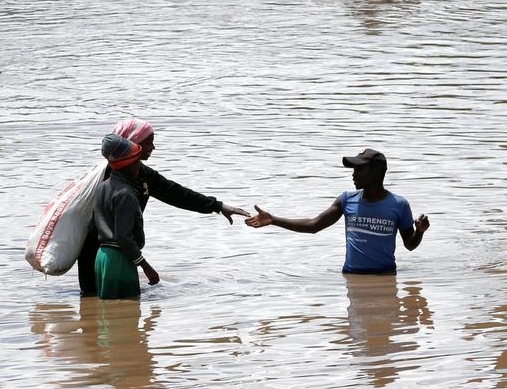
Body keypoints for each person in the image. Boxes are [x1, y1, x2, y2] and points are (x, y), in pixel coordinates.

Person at [78, 118, 250, 296]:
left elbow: (175, 193)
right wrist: (144, 265)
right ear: (132, 145)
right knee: (110, 304)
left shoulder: (138, 174)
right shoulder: (114, 180)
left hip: (109, 256)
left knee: (101, 311)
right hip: (100, 253)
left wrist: (217, 206)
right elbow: (120, 234)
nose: (153, 147)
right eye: (148, 142)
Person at [245, 149, 430, 274]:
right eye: (353, 169)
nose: (354, 174)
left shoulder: (399, 204)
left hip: (385, 278)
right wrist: (273, 219)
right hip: (351, 277)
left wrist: (419, 232)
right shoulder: (346, 200)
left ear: (377, 172)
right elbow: (313, 225)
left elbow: (410, 245)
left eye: (360, 169)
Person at [94, 134, 159, 299]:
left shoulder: (102, 188)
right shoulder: (126, 194)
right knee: (126, 317)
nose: (139, 165)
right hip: (119, 260)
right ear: (129, 164)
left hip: (102, 257)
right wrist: (145, 266)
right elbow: (123, 236)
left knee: (107, 317)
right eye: (137, 161)